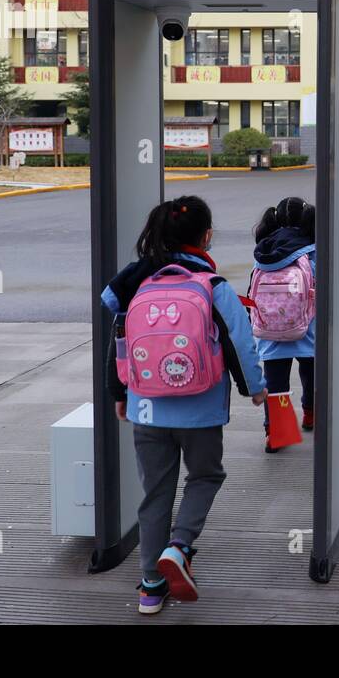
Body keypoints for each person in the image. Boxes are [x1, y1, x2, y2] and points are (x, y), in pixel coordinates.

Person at [102, 196, 267, 616]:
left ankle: (150, 589)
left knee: (155, 493)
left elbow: (118, 341)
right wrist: (256, 390)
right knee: (206, 475)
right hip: (202, 410)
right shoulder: (213, 286)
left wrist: (120, 395)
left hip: (147, 408)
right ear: (206, 236)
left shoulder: (136, 283)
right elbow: (240, 342)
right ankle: (179, 547)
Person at [249, 197, 317, 452]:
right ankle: (309, 415)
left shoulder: (264, 250)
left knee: (276, 383)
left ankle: (277, 433)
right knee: (311, 374)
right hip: (307, 329)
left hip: (271, 331)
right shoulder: (311, 248)